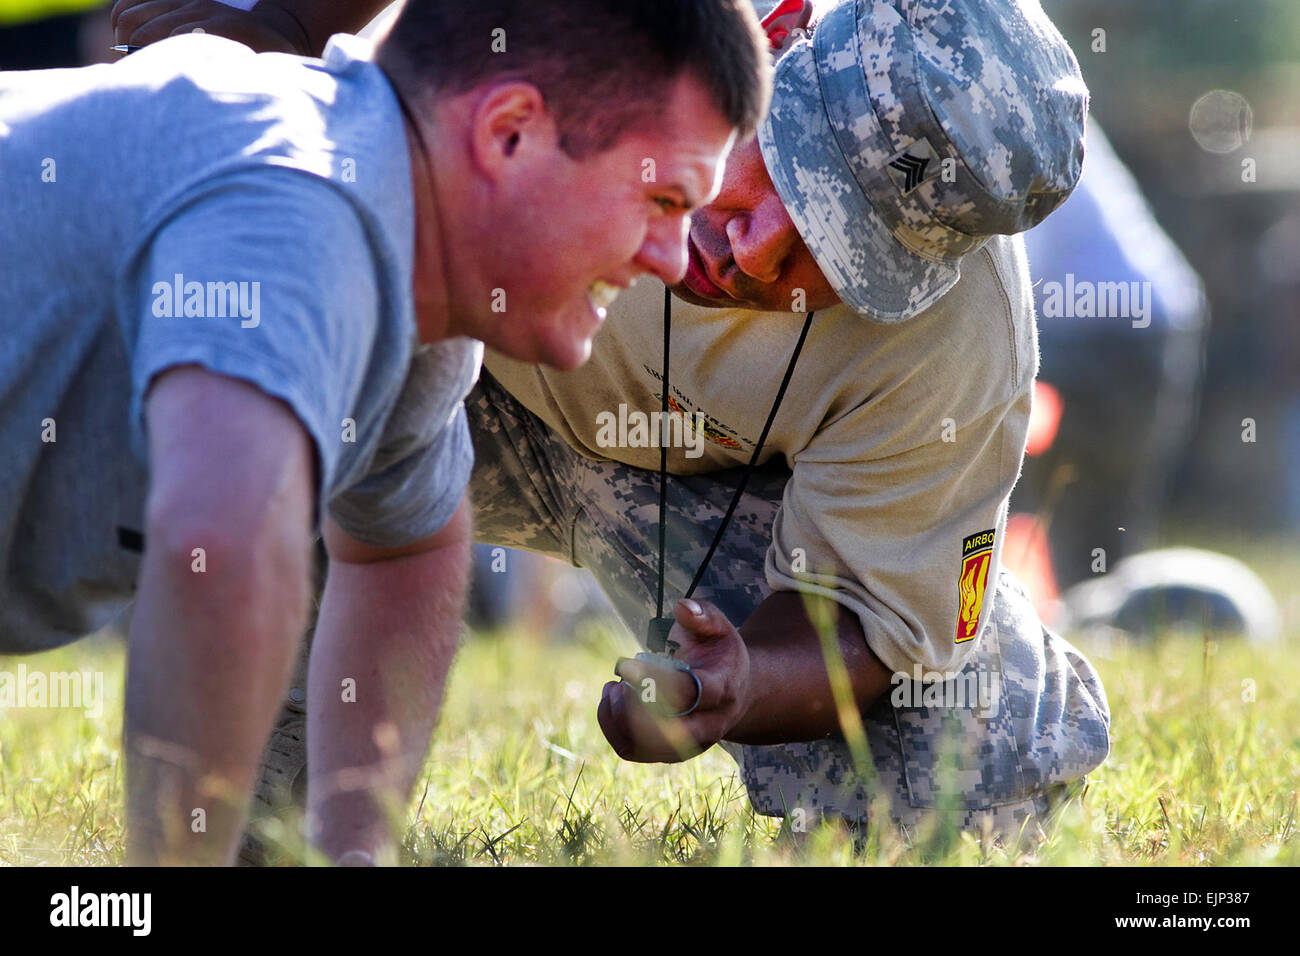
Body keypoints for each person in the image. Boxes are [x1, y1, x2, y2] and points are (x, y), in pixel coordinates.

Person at [127, 0, 1114, 853]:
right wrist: (236, 44)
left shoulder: (960, 347)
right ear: (774, 50)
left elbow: (865, 621)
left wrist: (741, 680)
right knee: (234, 827)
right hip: (452, 369)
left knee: (964, 767)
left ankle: (1016, 696)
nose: (754, 249)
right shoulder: (623, 32)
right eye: (781, 173)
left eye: (834, 250)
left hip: (693, 492)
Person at [0, 0, 770, 865]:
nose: (672, 257)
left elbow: (403, 549)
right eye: (662, 197)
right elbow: (222, 545)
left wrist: (355, 851)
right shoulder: (303, 192)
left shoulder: (415, 265)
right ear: (509, 131)